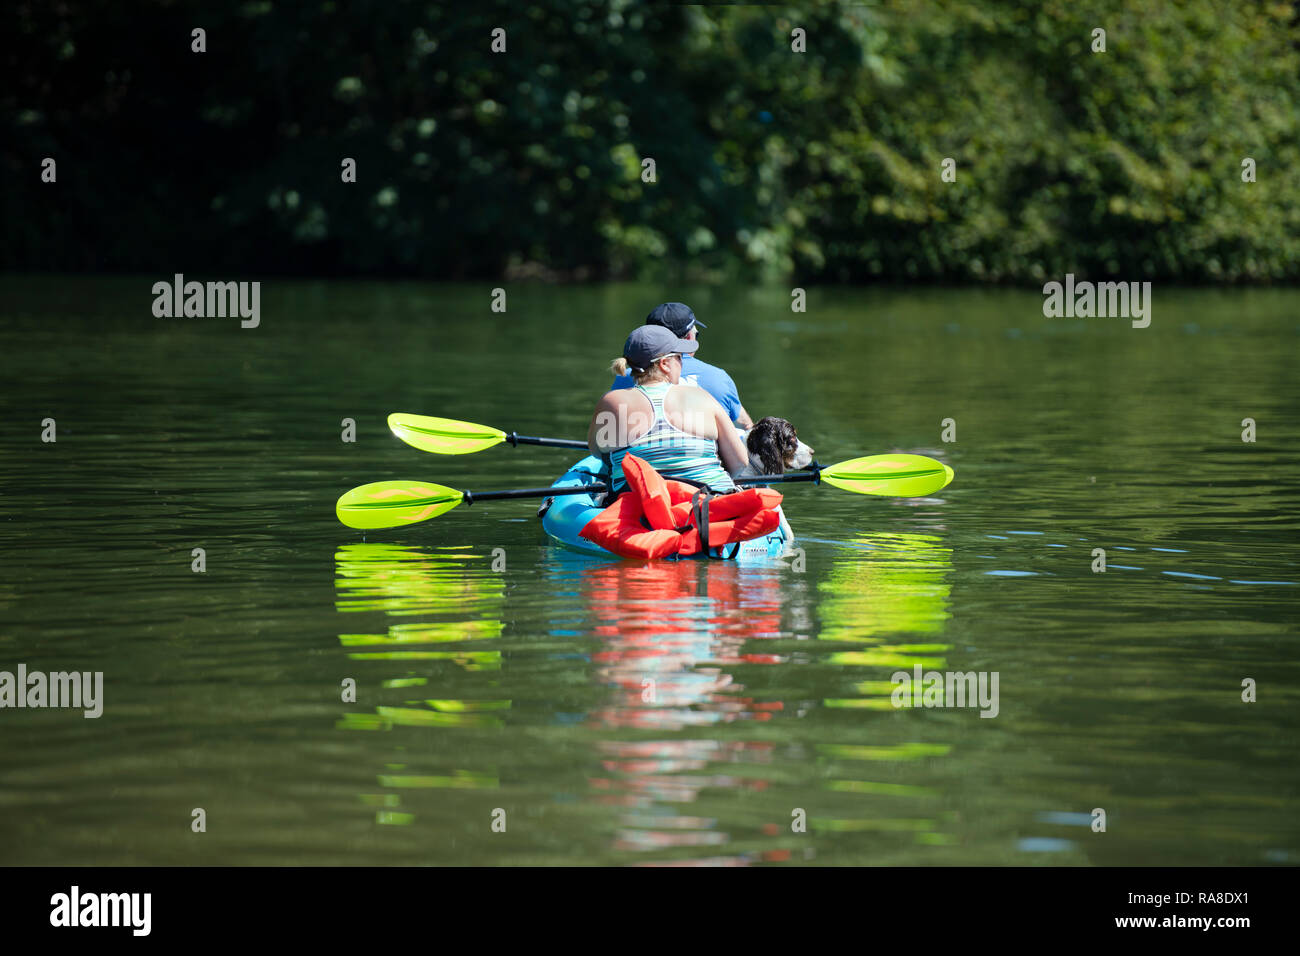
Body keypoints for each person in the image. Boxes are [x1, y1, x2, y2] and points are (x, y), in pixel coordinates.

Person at [589, 325, 749, 494]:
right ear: (665, 364)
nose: (682, 363)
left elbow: (598, 453)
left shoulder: (610, 402)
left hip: (642, 506)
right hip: (711, 500)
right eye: (679, 357)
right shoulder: (701, 396)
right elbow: (740, 462)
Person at [611, 303, 754, 429]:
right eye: (696, 335)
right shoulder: (719, 378)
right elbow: (746, 426)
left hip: (637, 455)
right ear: (688, 338)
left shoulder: (624, 377)